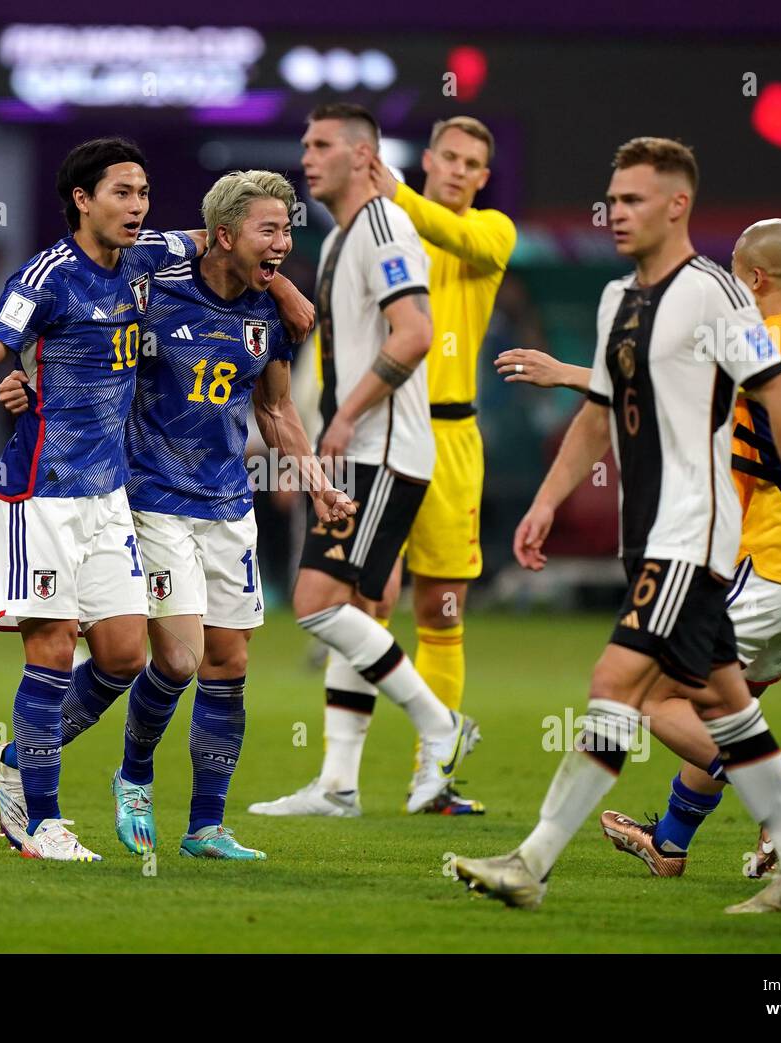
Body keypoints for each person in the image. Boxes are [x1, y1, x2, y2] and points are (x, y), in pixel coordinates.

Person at [452, 138, 781, 914]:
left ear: (677, 205)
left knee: (613, 685)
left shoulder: (716, 294)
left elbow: (779, 399)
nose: (615, 212)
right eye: (612, 198)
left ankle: (532, 861)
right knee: (727, 703)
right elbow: (599, 417)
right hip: (654, 535)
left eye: (633, 199)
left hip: (691, 532)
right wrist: (546, 501)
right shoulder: (616, 299)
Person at [0, 170, 348, 860]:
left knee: (229, 662)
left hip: (228, 503)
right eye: (268, 230)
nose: (283, 243)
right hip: (150, 499)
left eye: (287, 230)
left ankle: (207, 827)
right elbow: (78, 330)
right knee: (178, 658)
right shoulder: (151, 283)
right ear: (223, 235)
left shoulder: (267, 313)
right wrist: (28, 381)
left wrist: (316, 482)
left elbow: (275, 408)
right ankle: (131, 775)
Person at [0, 137, 206, 863]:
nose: (137, 206)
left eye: (144, 192)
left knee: (123, 655)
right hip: (41, 492)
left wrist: (281, 286)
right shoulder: (47, 277)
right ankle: (44, 822)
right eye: (122, 192)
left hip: (108, 494)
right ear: (81, 200)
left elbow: (224, 234)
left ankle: (11, 761)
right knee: (53, 650)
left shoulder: (147, 256)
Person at [248, 103, 473, 820]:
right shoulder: (350, 232)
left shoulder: (381, 226)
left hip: (379, 449)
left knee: (316, 602)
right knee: (356, 609)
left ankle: (441, 724)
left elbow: (414, 334)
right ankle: (339, 785)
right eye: (305, 143)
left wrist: (342, 419)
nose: (306, 157)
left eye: (320, 145)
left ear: (362, 155)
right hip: (363, 449)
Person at [318, 116, 513, 815]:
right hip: (378, 430)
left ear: (484, 178)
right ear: (430, 159)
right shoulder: (379, 233)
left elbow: (460, 236)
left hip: (451, 438)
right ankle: (338, 779)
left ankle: (432, 776)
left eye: (473, 163)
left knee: (440, 607)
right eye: (450, 157)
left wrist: (395, 190)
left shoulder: (488, 232)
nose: (460, 170)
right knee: (361, 602)